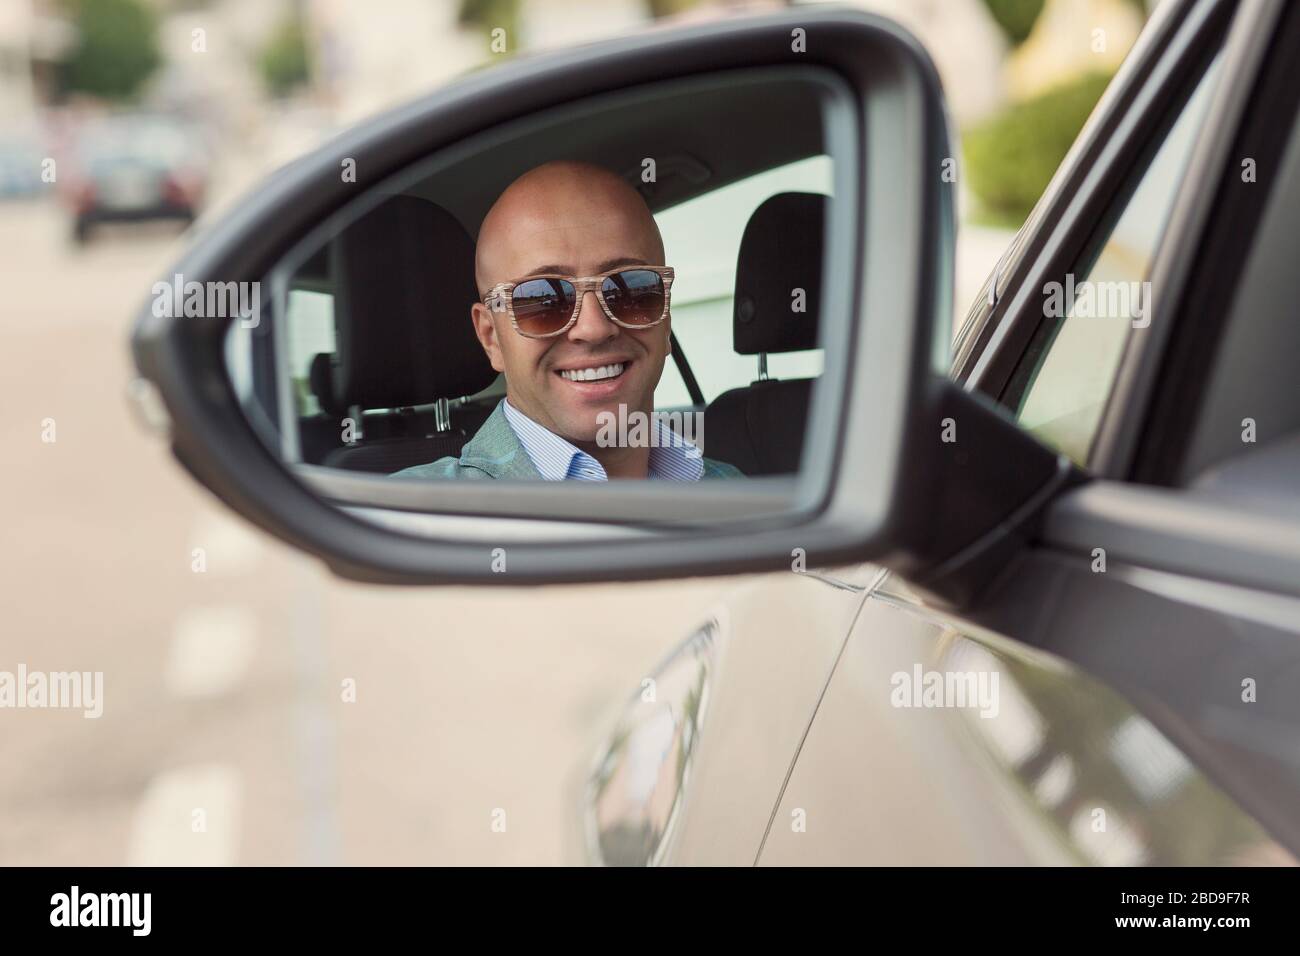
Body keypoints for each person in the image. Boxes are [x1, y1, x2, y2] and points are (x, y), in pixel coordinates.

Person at [394, 160, 740, 481]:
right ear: (491, 337)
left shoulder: (735, 491)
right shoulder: (401, 521)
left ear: (665, 314)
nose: (594, 328)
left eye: (631, 289)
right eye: (543, 299)